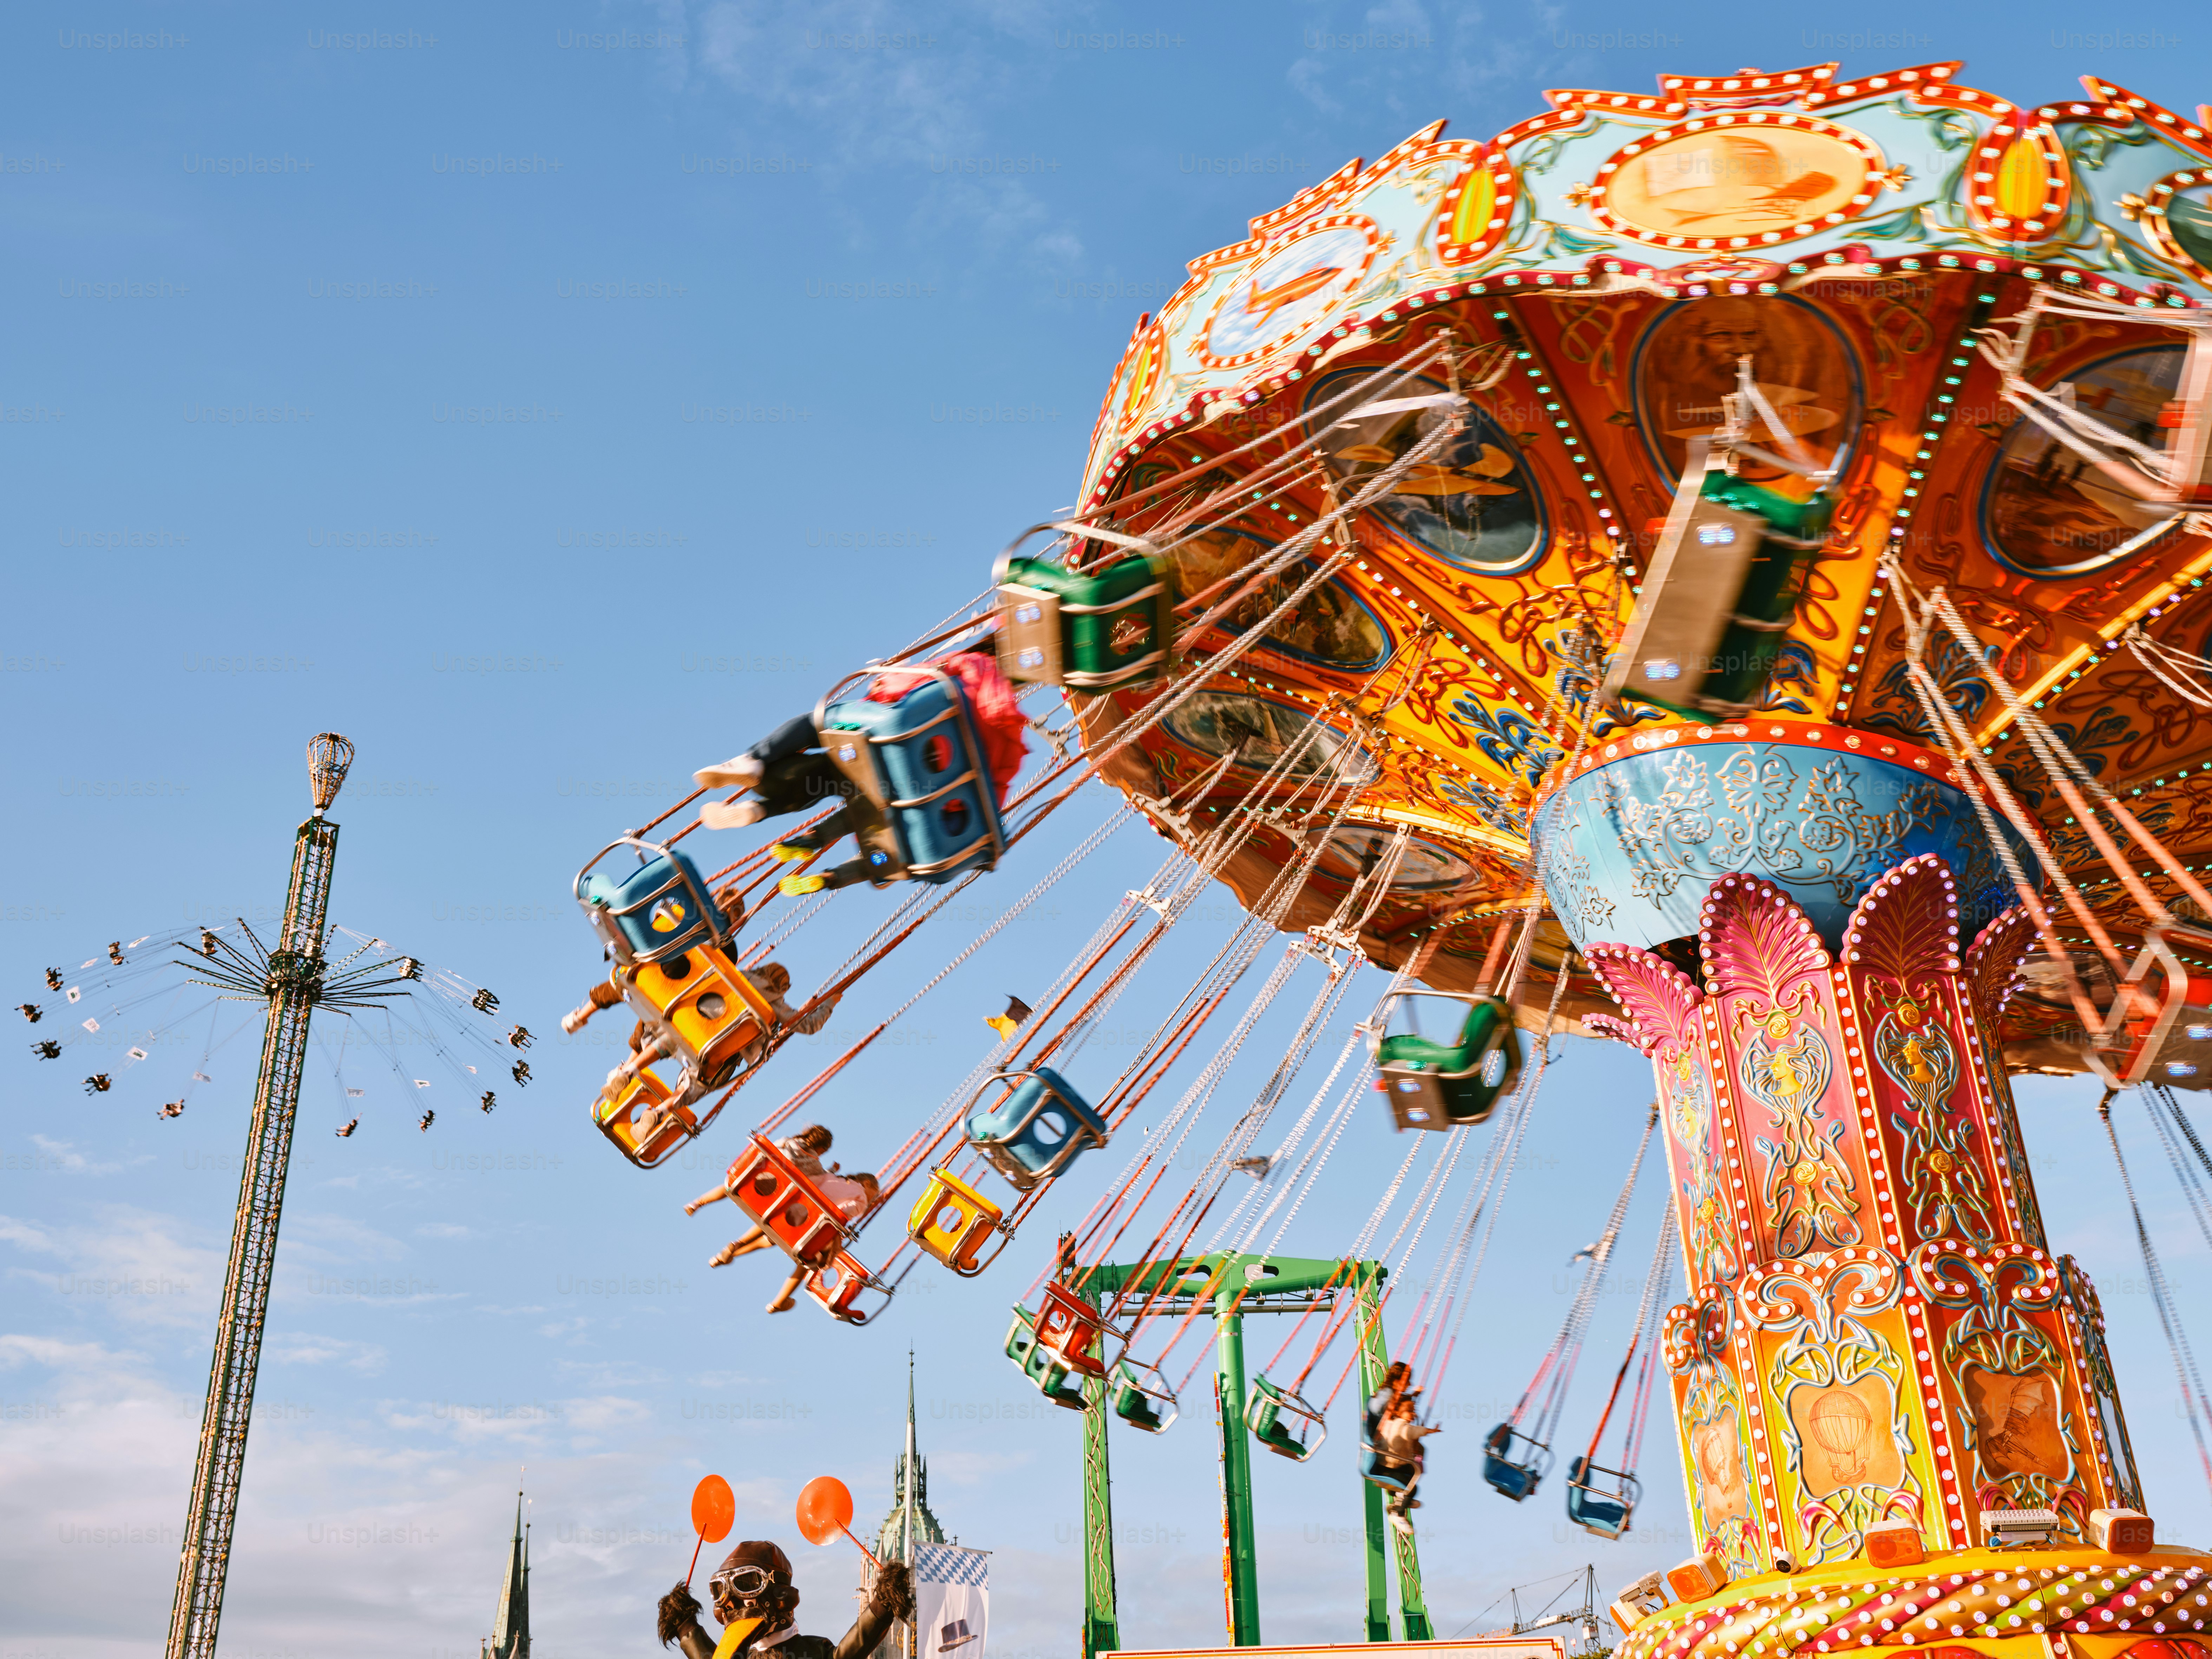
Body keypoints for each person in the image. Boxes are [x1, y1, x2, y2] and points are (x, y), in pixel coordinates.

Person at [691, 651, 1029, 897]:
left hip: (885, 743)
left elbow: (899, 687)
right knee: (880, 830)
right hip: (909, 790)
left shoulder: (972, 669)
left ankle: (755, 771)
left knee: (821, 731)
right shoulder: (1010, 745)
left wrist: (884, 678)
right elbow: (992, 793)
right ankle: (824, 871)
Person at [658, 1539, 911, 1659]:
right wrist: (684, 1625)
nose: (730, 1604)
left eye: (746, 1585)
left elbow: (851, 1650)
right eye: (719, 1590)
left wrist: (883, 1603)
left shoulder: (812, 1652)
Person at [765, 1172, 879, 1314]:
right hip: (811, 1230)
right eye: (873, 1196)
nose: (871, 1201)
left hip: (794, 1212)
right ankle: (778, 1302)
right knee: (807, 1265)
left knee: (770, 1234)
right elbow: (841, 1215)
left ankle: (737, 1246)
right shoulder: (861, 1199)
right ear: (867, 1184)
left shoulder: (833, 1177)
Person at [1375, 1394, 1440, 1535]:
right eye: (1410, 1411)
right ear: (1398, 1412)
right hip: (1390, 1468)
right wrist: (1430, 1431)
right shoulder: (1402, 1427)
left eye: (1414, 1411)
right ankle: (1397, 1514)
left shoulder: (1387, 1422)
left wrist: (1414, 1394)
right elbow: (1411, 1431)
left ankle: (1400, 1498)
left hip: (1383, 1465)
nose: (1413, 1414)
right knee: (1413, 1489)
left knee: (1411, 1470)